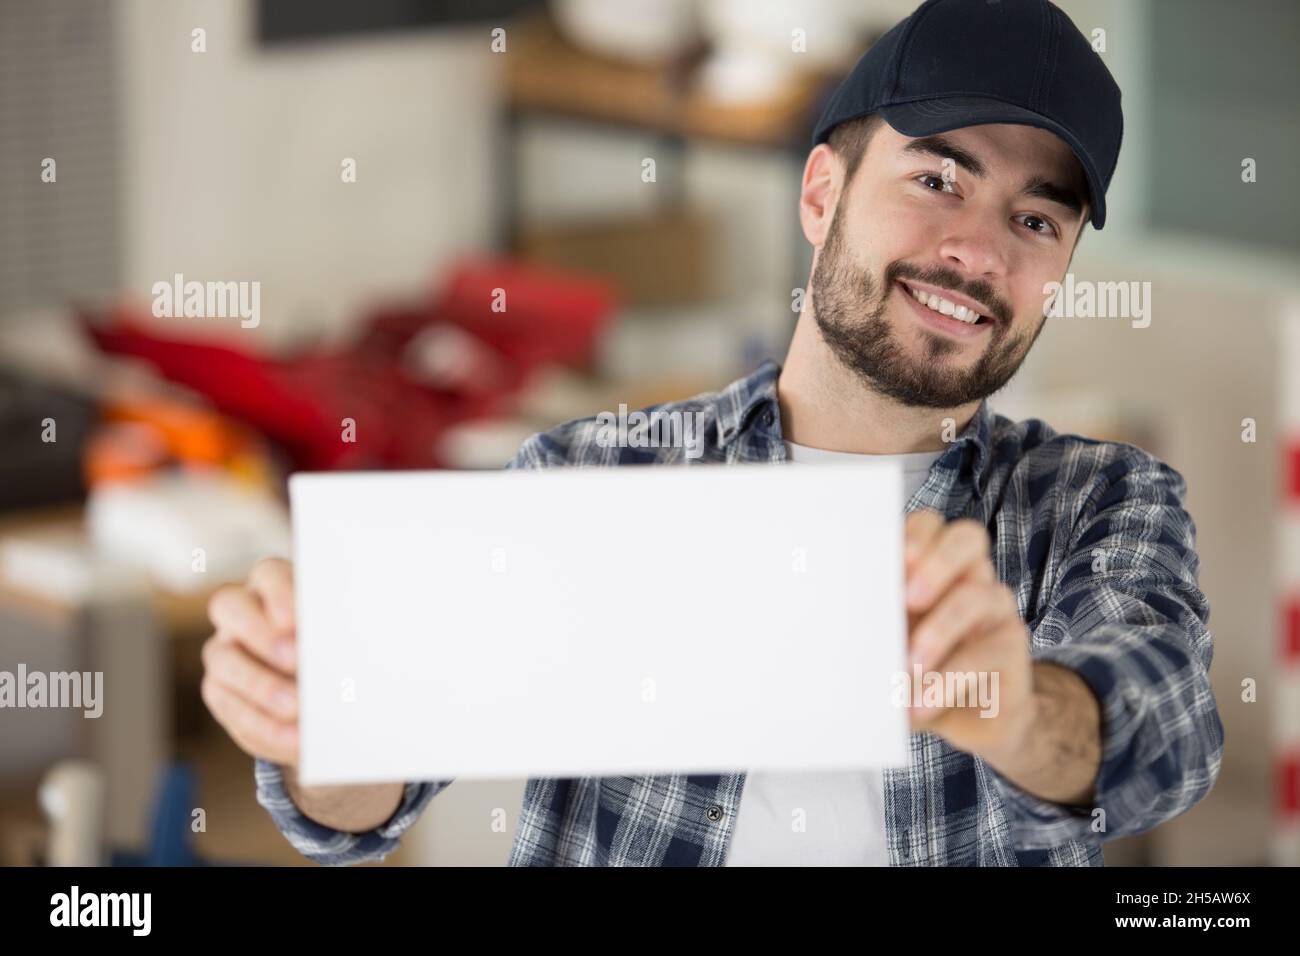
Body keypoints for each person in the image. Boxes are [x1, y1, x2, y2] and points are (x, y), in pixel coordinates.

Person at [202, 0, 1223, 866]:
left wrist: (1014, 709)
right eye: (937, 180)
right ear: (821, 194)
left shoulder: (1099, 500)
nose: (978, 252)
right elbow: (360, 800)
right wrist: (309, 722)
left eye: (1036, 221)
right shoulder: (595, 478)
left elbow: (1168, 732)